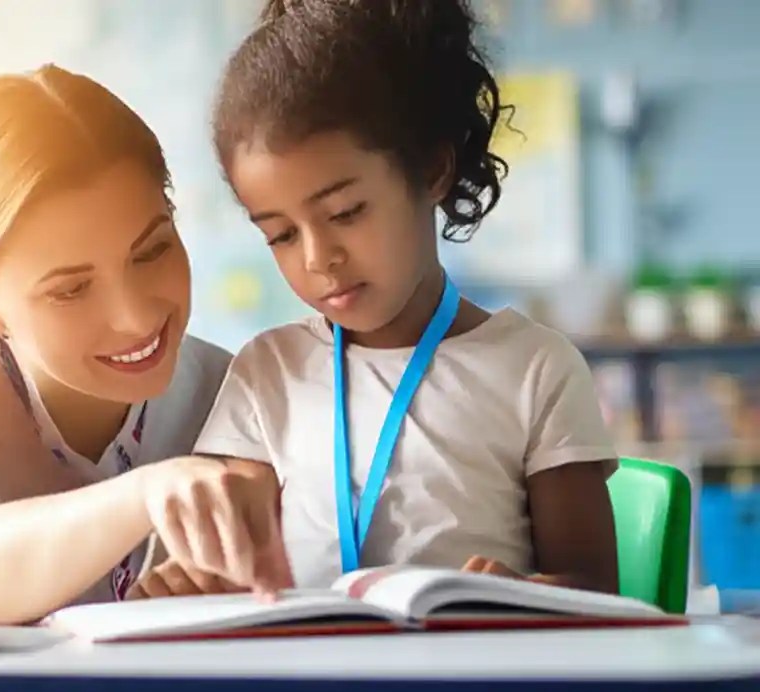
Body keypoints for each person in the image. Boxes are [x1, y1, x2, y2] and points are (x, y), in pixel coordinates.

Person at [141, 0, 619, 596]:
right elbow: (227, 563)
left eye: (345, 212)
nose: (318, 259)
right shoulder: (268, 373)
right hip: (310, 684)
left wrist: (522, 597)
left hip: (477, 680)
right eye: (281, 234)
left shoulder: (535, 369)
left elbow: (597, 592)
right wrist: (193, 586)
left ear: (432, 171)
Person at [0, 65, 292, 625]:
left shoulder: (232, 393)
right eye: (71, 289)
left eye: (152, 250)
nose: (136, 317)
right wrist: (149, 494)